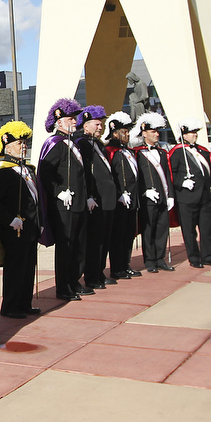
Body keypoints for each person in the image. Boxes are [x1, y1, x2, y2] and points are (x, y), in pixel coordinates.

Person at [38, 98, 93, 301]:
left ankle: (74, 281)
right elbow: (45, 173)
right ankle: (63, 287)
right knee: (66, 246)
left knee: (79, 244)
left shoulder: (72, 143)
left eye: (74, 119)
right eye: (70, 119)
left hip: (78, 202)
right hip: (63, 204)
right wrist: (59, 191)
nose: (73, 122)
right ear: (58, 122)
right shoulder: (55, 144)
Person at [0, 121, 41, 318]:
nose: (23, 146)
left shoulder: (29, 169)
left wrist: (40, 221)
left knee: (28, 268)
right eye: (19, 143)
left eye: (25, 143)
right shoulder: (4, 171)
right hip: (14, 229)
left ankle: (24, 303)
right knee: (15, 269)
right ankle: (10, 306)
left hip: (31, 228)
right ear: (7, 146)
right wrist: (10, 220)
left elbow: (36, 199)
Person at [168, 117, 211, 268]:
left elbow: (210, 172)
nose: (195, 135)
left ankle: (208, 256)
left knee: (206, 229)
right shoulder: (177, 152)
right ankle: (194, 258)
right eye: (192, 133)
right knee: (189, 231)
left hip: (204, 196)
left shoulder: (202, 151)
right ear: (184, 135)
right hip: (187, 198)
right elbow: (171, 173)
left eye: (195, 132)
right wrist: (182, 182)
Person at [75, 105, 116, 289]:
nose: (100, 127)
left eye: (101, 124)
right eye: (96, 124)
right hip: (95, 200)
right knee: (94, 241)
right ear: (85, 125)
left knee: (105, 240)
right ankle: (91, 276)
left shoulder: (99, 144)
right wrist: (89, 196)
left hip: (107, 198)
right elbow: (85, 173)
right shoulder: (82, 143)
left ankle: (99, 272)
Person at [134, 112, 175, 273]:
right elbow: (135, 178)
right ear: (144, 133)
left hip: (163, 197)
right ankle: (149, 260)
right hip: (147, 198)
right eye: (153, 131)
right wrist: (144, 192)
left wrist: (170, 195)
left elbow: (168, 175)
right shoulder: (138, 153)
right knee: (149, 230)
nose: (156, 134)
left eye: (157, 131)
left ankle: (160, 259)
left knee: (162, 229)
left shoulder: (163, 153)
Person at [103, 111, 142, 280]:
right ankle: (117, 268)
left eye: (127, 132)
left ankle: (125, 265)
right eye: (123, 132)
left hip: (132, 199)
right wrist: (119, 194)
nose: (127, 135)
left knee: (128, 235)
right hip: (118, 201)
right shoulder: (109, 151)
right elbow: (109, 177)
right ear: (114, 133)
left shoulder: (128, 151)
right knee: (117, 236)